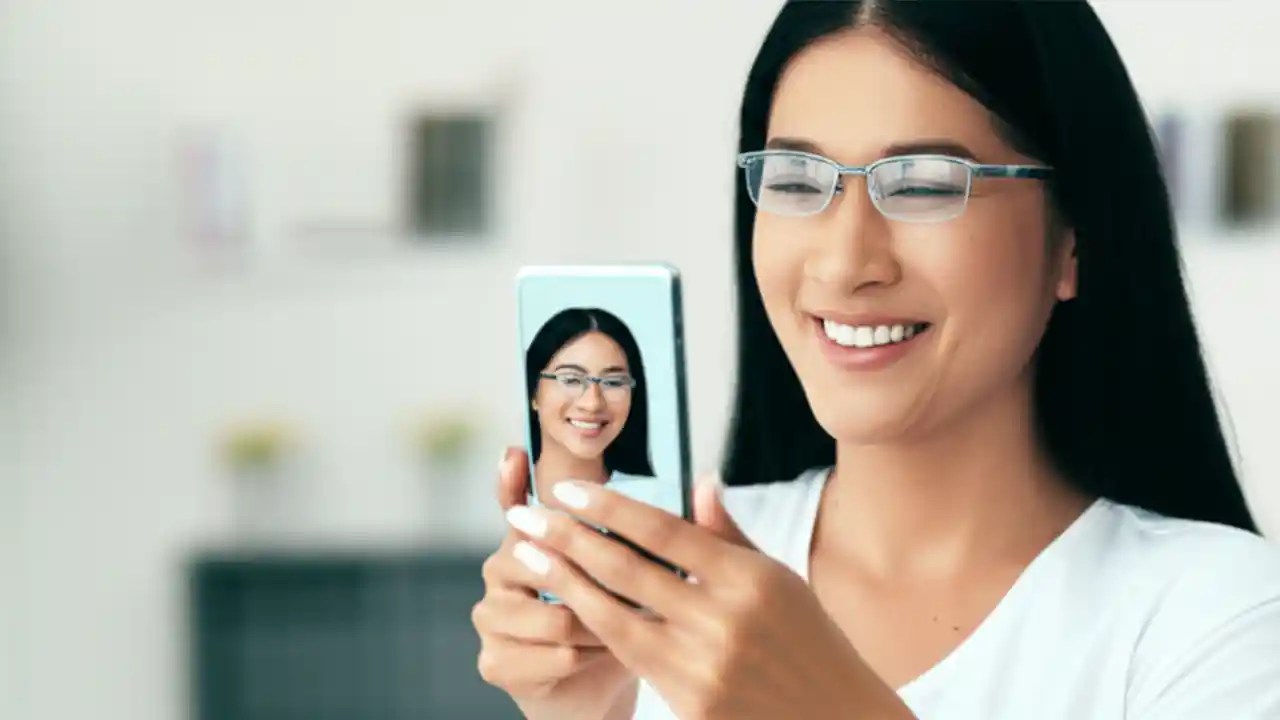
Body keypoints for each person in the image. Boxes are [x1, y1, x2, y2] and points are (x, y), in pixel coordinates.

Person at [472, 2, 1280, 719]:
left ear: (1072, 241)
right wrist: (591, 716)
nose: (845, 262)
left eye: (926, 185)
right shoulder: (674, 574)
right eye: (795, 179)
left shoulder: (1220, 618)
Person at [524, 307, 660, 509]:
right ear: (534, 393)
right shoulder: (499, 497)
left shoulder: (657, 505)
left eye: (613, 382)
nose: (592, 403)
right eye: (571, 379)